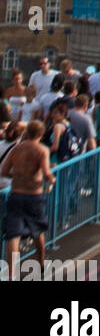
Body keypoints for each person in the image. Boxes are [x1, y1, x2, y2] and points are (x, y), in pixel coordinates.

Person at [0, 119, 56, 278]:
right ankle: (41, 263)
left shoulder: (16, 149)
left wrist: (19, 175)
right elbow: (46, 173)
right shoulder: (42, 150)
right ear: (41, 134)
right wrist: (52, 179)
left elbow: (4, 171)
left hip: (16, 194)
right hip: (33, 196)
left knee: (13, 234)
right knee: (38, 230)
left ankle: (11, 274)